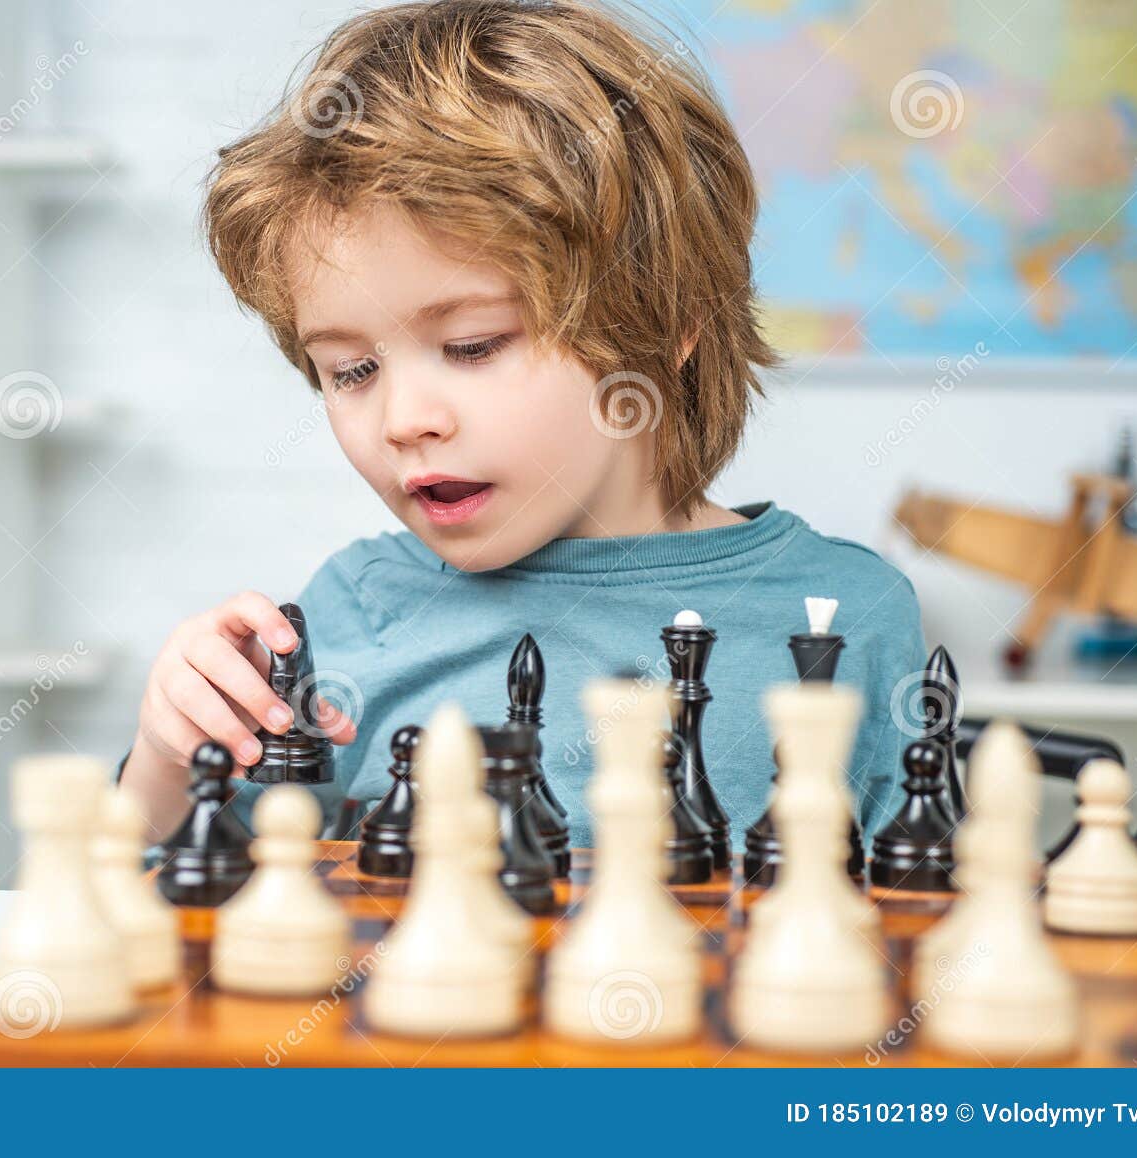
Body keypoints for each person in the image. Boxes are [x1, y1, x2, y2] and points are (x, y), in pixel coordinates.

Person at [120, 0, 924, 845]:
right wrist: (163, 760)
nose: (405, 421)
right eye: (351, 370)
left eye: (471, 347)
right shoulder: (354, 612)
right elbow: (182, 894)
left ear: (670, 322)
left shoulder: (849, 617)